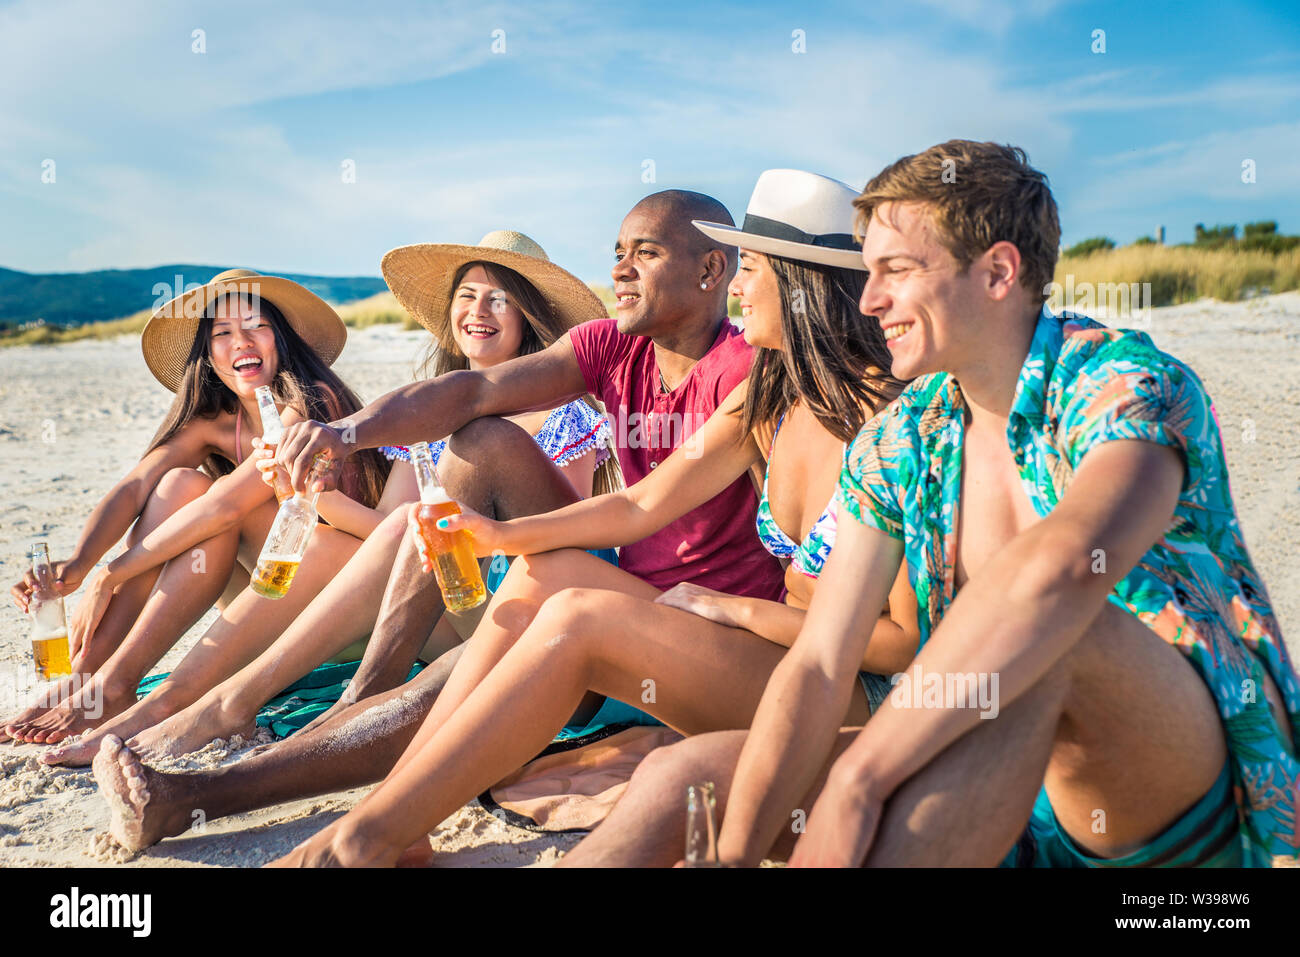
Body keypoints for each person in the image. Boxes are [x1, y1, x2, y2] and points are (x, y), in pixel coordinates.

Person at [564, 140, 1300, 869]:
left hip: (1170, 794)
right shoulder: (901, 437)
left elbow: (1059, 572)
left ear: (998, 273)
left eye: (896, 270)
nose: (870, 297)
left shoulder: (1120, 383)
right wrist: (737, 854)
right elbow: (823, 661)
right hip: (981, 766)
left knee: (1057, 640)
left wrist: (861, 779)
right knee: (683, 779)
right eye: (866, 271)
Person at [248, 169, 920, 867]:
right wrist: (502, 537)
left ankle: (370, 834)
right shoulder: (769, 397)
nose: (739, 289)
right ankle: (397, 811)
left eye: (751, 270)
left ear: (804, 283)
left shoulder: (892, 427)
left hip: (847, 692)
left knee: (578, 617)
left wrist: (741, 612)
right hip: (773, 657)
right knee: (550, 573)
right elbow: (640, 503)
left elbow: (899, 643)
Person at [90, 187, 792, 852]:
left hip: (698, 627)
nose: (620, 268)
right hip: (620, 580)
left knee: (475, 664)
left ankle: (228, 780)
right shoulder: (613, 345)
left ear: (711, 269)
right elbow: (474, 389)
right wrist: (348, 433)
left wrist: (505, 539)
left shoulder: (749, 372)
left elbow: (658, 513)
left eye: (645, 252)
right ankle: (209, 781)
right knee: (477, 445)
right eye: (617, 250)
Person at [43, 231, 614, 767]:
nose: (478, 312)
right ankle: (175, 699)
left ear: (528, 318)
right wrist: (316, 498)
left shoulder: (564, 415)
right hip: (430, 604)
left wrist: (108, 571)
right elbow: (389, 533)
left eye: (500, 300)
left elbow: (567, 541)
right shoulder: (423, 418)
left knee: (327, 535)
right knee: (328, 534)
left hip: (503, 606)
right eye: (467, 297)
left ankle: (198, 704)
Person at [3, 271, 392, 744]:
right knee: (178, 485)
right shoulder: (213, 422)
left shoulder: (311, 401)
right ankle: (88, 678)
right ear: (208, 356)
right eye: (222, 335)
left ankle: (119, 682)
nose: (240, 342)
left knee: (222, 501)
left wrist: (114, 572)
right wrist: (81, 564)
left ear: (282, 339)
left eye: (256, 327)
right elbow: (134, 487)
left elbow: (228, 505)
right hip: (270, 600)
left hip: (344, 604)